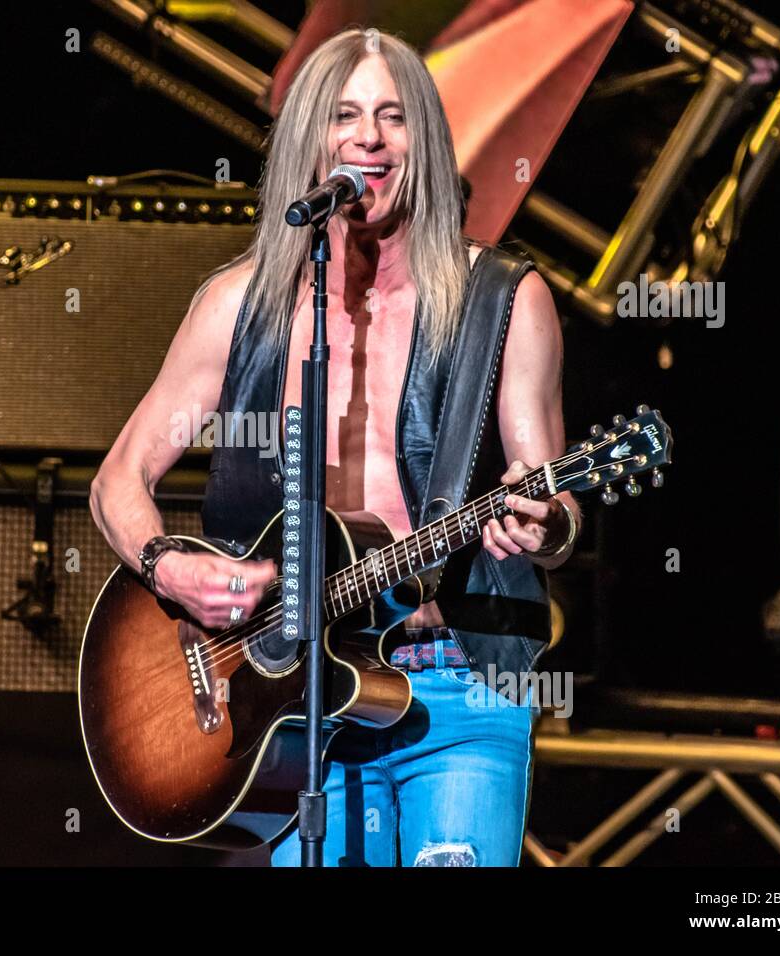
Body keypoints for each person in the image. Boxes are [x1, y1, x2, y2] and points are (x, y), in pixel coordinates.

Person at [89, 27, 580, 867]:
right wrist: (168, 566)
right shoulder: (240, 306)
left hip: (458, 684)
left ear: (423, 141)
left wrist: (544, 523)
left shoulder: (502, 300)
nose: (370, 137)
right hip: (294, 699)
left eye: (394, 117)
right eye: (345, 115)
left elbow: (554, 502)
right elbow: (119, 480)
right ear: (310, 142)